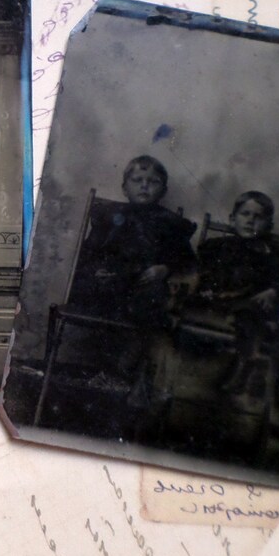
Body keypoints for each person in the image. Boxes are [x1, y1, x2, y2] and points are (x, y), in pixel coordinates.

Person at [68, 155, 196, 413]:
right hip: (109, 286)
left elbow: (186, 261)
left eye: (153, 181)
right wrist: (97, 271)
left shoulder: (171, 224)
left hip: (142, 289)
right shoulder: (109, 215)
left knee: (154, 298)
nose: (145, 186)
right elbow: (90, 252)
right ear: (125, 187)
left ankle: (123, 369)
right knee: (113, 299)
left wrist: (165, 267)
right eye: (137, 180)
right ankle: (115, 371)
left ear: (164, 190)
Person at [194, 190, 279, 395]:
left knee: (250, 314)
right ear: (233, 219)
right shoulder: (216, 247)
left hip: (248, 306)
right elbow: (201, 273)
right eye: (245, 214)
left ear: (269, 225)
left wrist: (273, 291)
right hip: (214, 303)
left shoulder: (274, 255)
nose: (251, 221)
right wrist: (204, 286)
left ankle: (243, 366)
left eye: (258, 217)